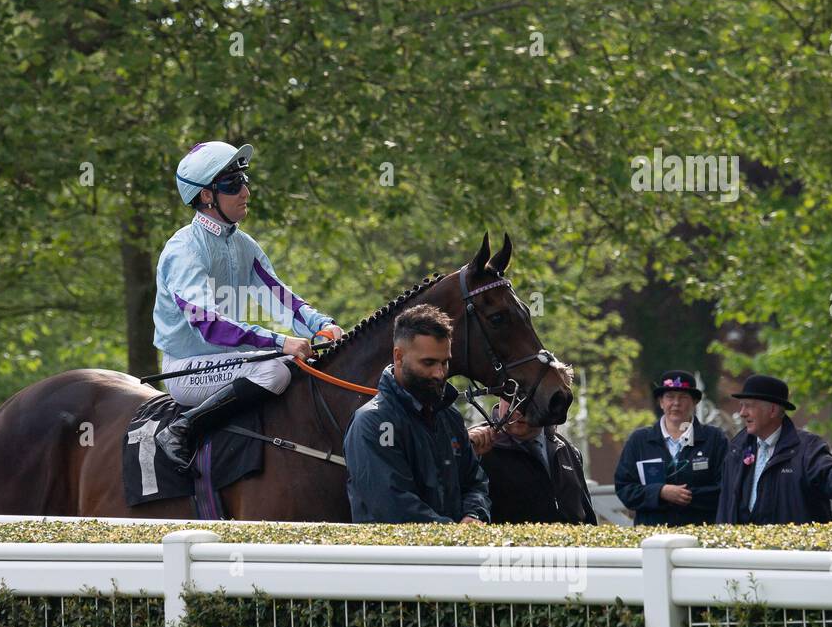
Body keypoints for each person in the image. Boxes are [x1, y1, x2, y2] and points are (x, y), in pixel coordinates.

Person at [151, 140, 342, 471]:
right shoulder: (183, 251)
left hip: (228, 362)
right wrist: (282, 342)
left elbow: (279, 297)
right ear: (206, 196)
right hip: (185, 369)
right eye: (233, 184)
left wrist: (321, 325)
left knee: (299, 367)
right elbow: (210, 324)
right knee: (276, 367)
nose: (246, 193)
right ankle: (181, 430)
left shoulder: (243, 244)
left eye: (245, 181)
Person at [344, 304, 491, 524]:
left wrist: (474, 515)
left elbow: (475, 483)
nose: (439, 373)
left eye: (445, 362)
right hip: (395, 557)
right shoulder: (371, 422)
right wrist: (458, 535)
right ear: (399, 356)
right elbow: (393, 507)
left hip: (454, 553)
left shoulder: (449, 417)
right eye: (429, 363)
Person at [716, 374, 832, 524]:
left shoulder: (807, 447)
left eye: (749, 406)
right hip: (742, 549)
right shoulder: (736, 448)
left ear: (773, 410)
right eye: (742, 405)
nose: (742, 413)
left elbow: (830, 471)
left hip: (792, 549)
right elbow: (725, 506)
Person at [613, 370, 728, 526]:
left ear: (695, 402)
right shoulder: (639, 440)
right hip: (652, 537)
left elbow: (727, 487)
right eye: (670, 396)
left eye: (683, 397)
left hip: (701, 536)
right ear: (661, 402)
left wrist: (687, 496)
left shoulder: (714, 439)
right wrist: (660, 492)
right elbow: (624, 489)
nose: (676, 403)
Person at [468, 396, 596, 524]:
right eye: (510, 397)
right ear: (499, 395)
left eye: (528, 399)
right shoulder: (474, 446)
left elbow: (588, 520)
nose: (518, 410)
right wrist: (466, 449)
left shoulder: (568, 451)